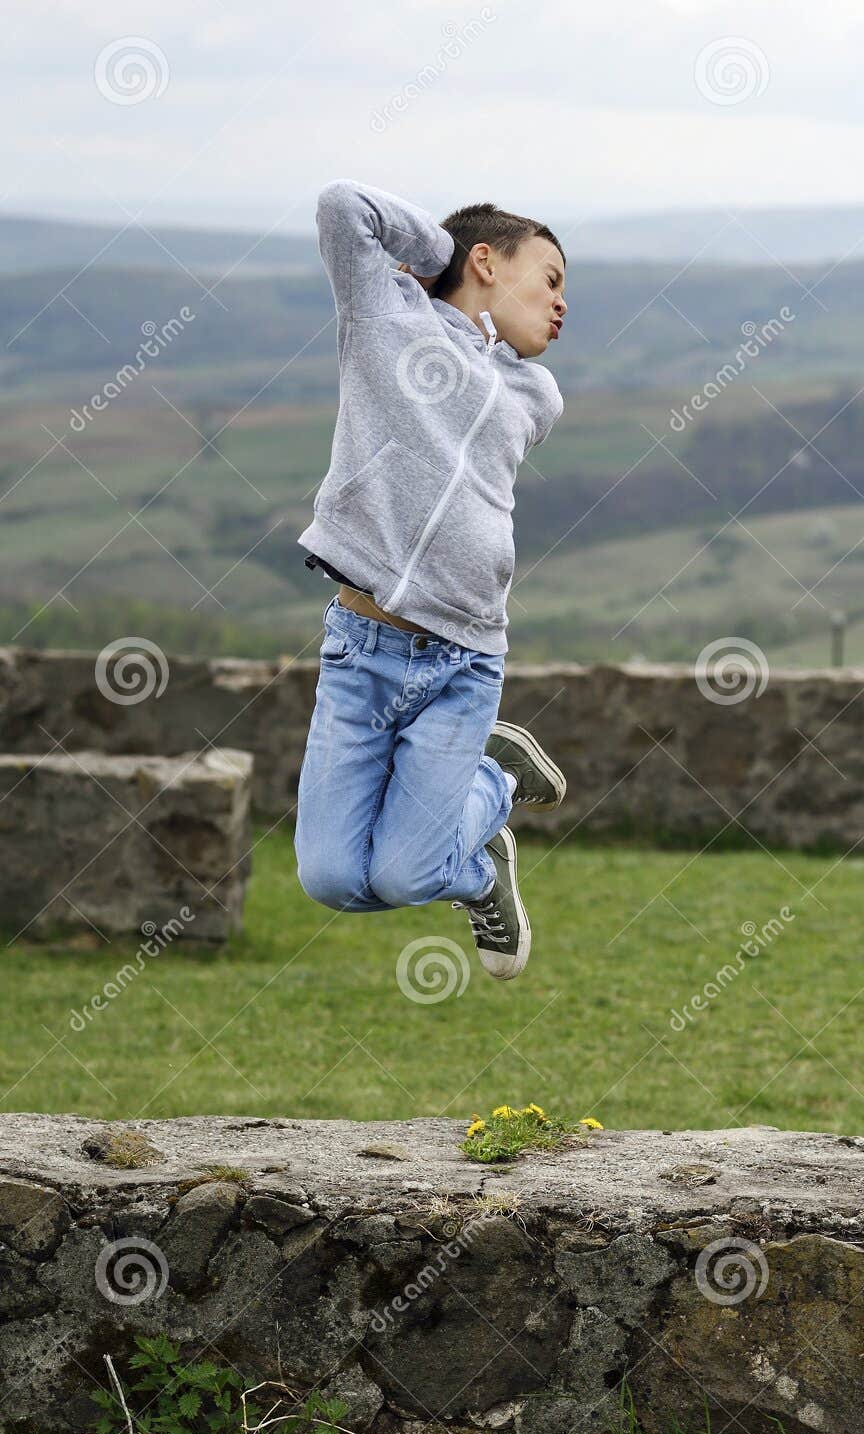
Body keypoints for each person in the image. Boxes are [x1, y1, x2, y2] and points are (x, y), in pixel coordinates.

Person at [293, 177, 569, 980]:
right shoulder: (386, 319)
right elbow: (344, 207)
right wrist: (441, 261)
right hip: (361, 651)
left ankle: (492, 789)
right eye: (549, 279)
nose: (560, 305)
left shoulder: (531, 391)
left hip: (462, 660)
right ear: (484, 259)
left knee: (408, 874)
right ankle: (483, 831)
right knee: (334, 880)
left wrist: (467, 295)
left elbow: (508, 395)